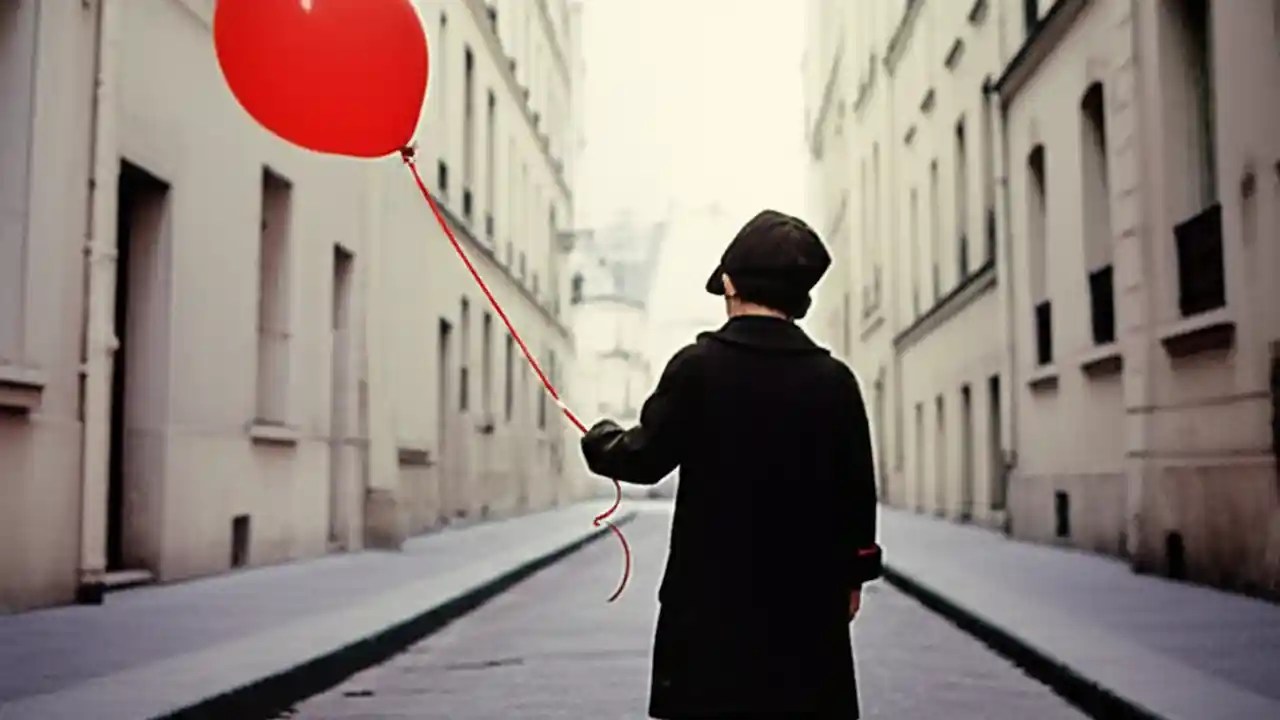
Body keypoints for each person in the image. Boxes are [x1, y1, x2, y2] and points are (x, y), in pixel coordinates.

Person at [581, 209, 883, 719]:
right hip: (807, 607)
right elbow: (857, 495)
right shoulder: (835, 382)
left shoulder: (697, 368)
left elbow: (643, 458)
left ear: (728, 283)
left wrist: (599, 439)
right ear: (801, 298)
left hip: (709, 608)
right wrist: (852, 579)